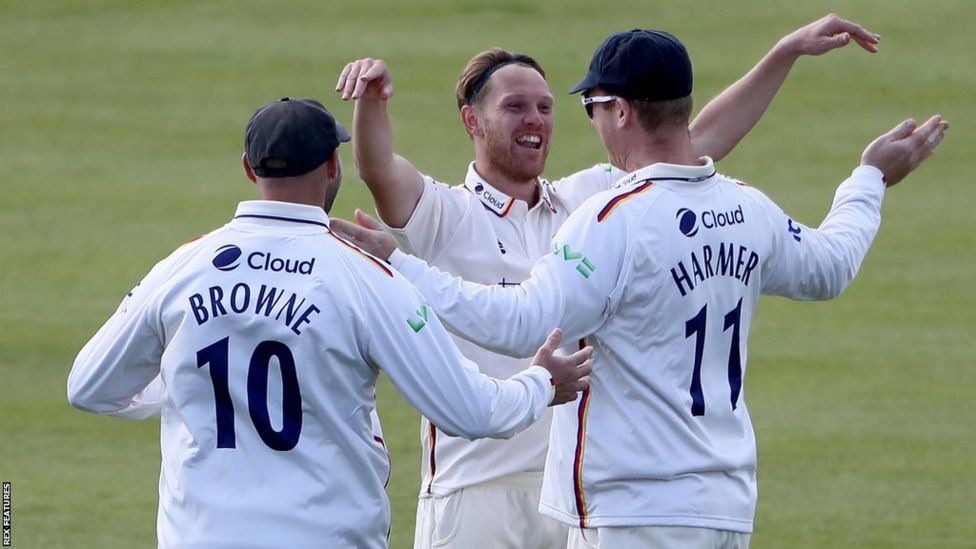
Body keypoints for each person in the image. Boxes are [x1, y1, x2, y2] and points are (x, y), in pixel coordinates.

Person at [332, 28, 948, 549]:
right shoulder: (745, 208)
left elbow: (519, 324)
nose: (549, 121)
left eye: (577, 107)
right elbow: (832, 264)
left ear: (619, 109)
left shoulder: (605, 214)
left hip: (630, 510)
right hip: (718, 503)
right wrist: (867, 180)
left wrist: (397, 268)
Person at [66, 97, 593, 549]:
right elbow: (471, 410)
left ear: (250, 169)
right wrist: (541, 382)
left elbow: (90, 387)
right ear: (333, 167)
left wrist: (188, 383)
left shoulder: (184, 266)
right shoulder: (363, 276)